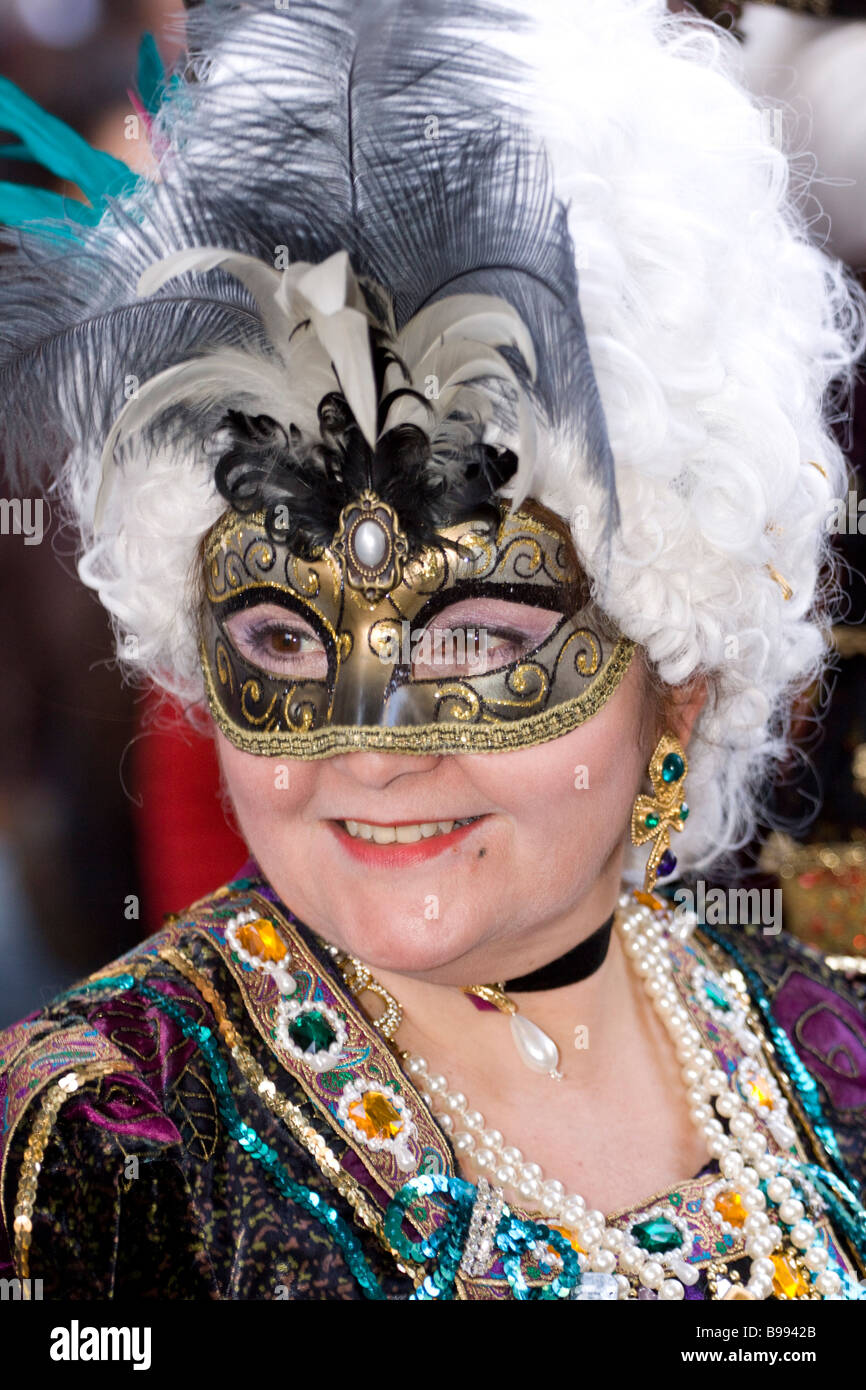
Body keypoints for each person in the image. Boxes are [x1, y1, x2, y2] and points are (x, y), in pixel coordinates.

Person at [0, 0, 864, 1302]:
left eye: (472, 636)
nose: (369, 745)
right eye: (281, 634)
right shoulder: (102, 1149)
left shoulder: (832, 1050)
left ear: (675, 676)